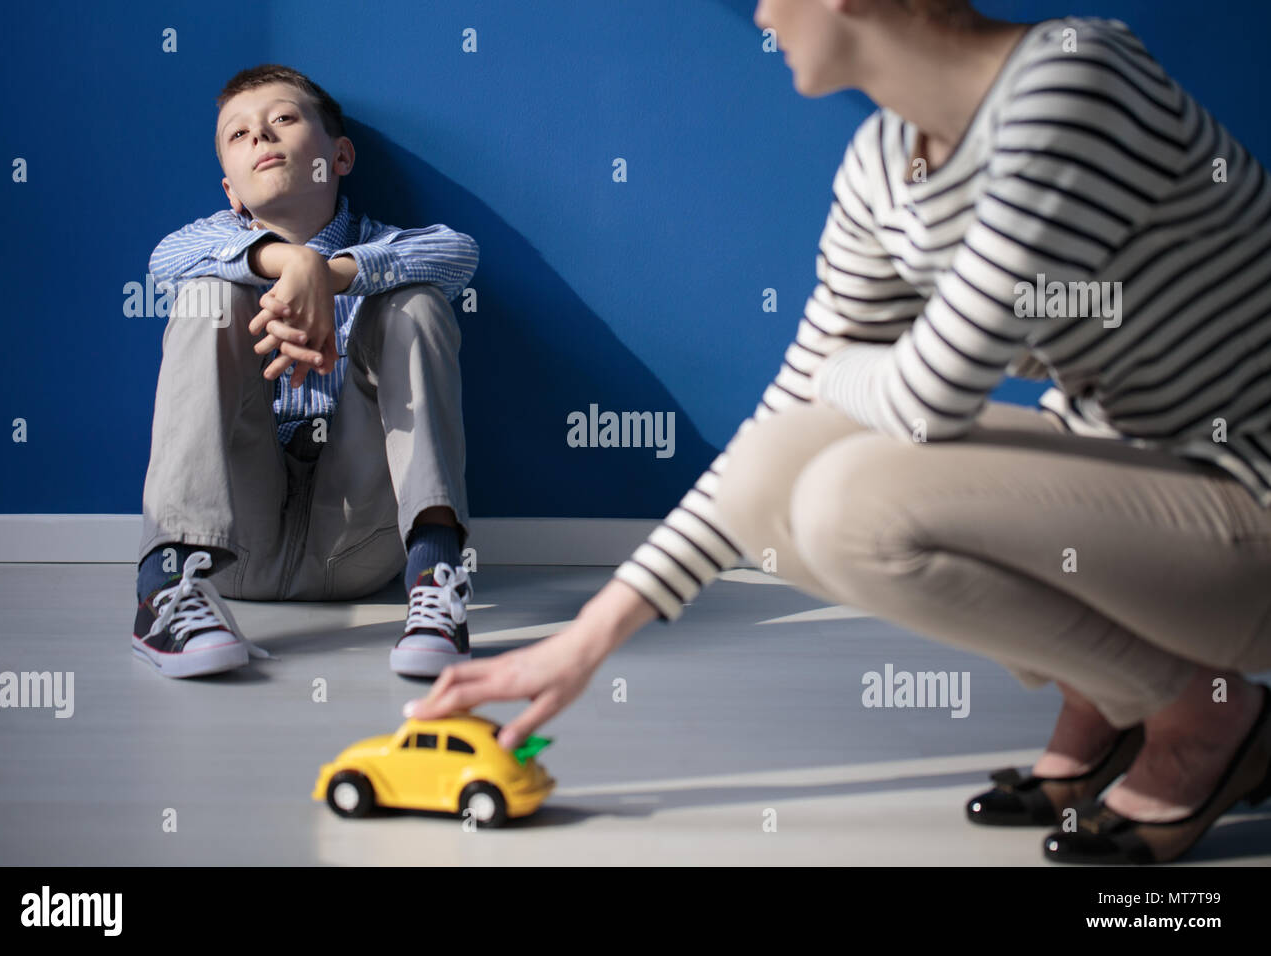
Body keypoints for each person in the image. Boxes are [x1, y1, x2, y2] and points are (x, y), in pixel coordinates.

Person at [412, 1, 1271, 864]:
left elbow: (933, 396)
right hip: (1138, 498)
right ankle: (1111, 699)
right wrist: (580, 645)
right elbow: (785, 426)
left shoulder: (1075, 82)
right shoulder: (884, 163)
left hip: (1247, 500)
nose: (760, 15)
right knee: (791, 474)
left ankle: (1203, 715)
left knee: (847, 502)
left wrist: (835, 374)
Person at [133, 64, 481, 681]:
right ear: (231, 191)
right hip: (234, 542)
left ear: (339, 156)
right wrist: (290, 262)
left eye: (282, 120)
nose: (260, 137)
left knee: (416, 301)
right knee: (208, 296)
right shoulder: (211, 238)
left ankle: (434, 579)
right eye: (238, 135)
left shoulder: (389, 244)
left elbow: (457, 254)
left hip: (359, 540)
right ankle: (165, 590)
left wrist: (333, 273)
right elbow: (166, 260)